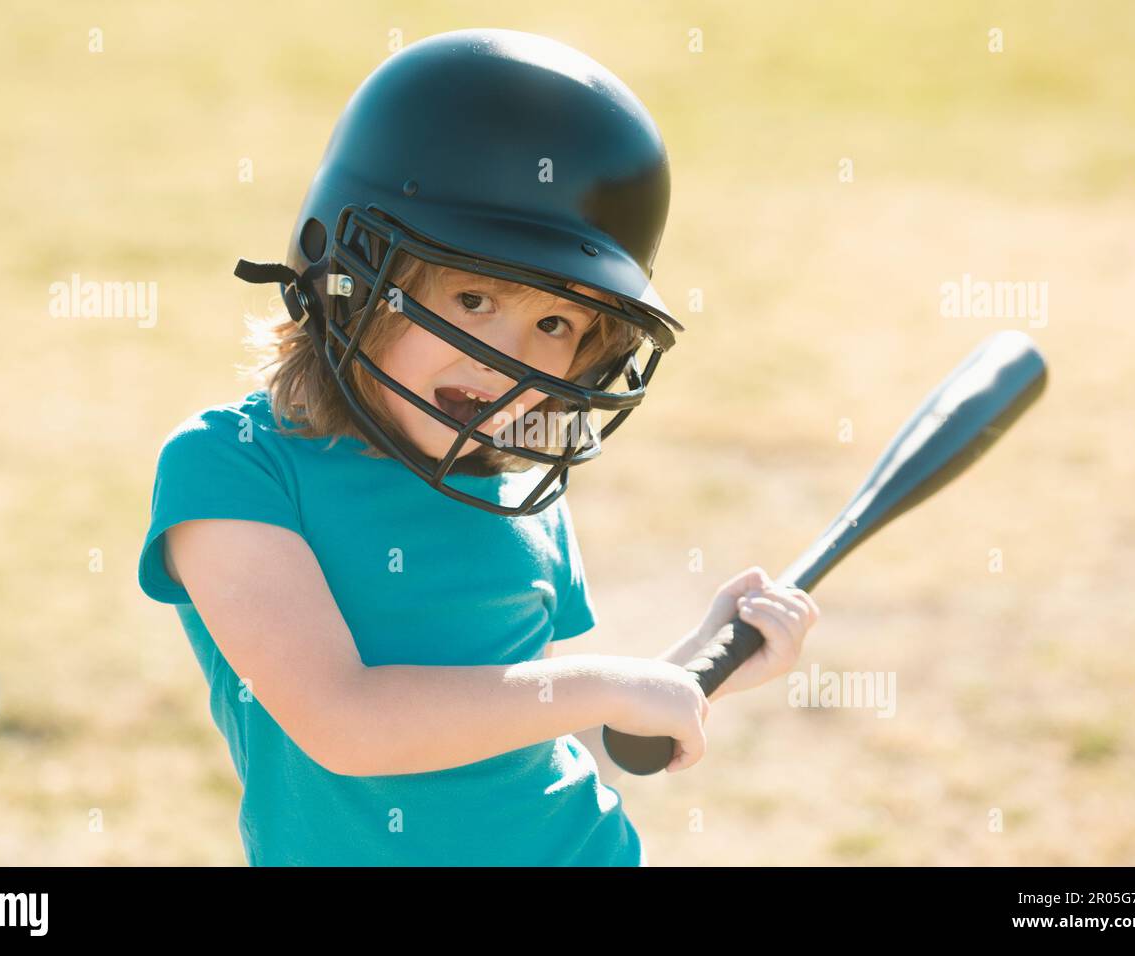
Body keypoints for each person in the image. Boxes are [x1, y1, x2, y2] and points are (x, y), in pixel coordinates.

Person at [137, 27, 818, 866]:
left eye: (556, 322)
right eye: (472, 297)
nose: (513, 356)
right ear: (352, 275)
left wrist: (693, 671)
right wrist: (609, 682)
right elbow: (347, 724)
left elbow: (526, 739)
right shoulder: (236, 464)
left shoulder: (519, 487)